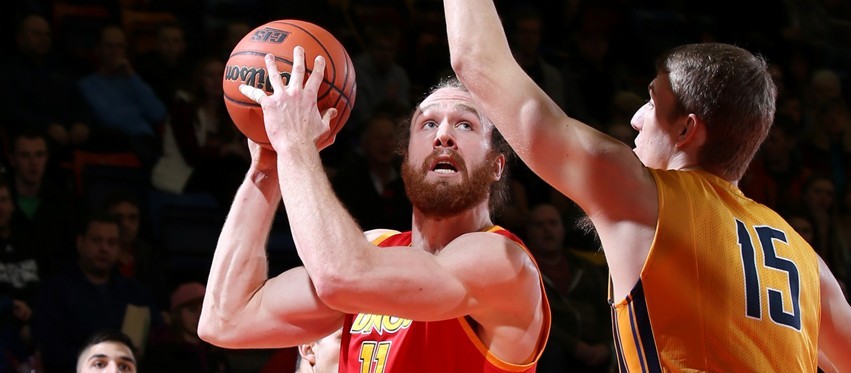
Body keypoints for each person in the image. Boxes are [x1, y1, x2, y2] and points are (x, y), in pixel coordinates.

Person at [443, 0, 851, 370]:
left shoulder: (645, 195)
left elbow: (477, 62)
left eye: (653, 102)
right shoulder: (806, 261)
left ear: (687, 130)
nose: (637, 118)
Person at [198, 51, 550, 372]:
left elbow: (341, 275)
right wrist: (265, 171)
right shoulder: (374, 248)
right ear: (406, 157)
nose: (443, 135)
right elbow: (225, 319)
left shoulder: (503, 261)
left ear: (496, 165)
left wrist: (294, 144)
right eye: (427, 124)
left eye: (465, 124)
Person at [32, 212, 160, 372]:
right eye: (96, 240)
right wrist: (98, 362)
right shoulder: (55, 290)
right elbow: (49, 347)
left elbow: (157, 336)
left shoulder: (135, 291)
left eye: (111, 242)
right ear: (80, 243)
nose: (104, 248)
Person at [524, 203, 611, 373]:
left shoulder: (585, 267)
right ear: (528, 231)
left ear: (563, 229)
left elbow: (607, 309)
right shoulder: (525, 271)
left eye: (553, 223)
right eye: (539, 225)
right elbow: (533, 320)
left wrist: (606, 346)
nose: (547, 229)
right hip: (555, 352)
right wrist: (575, 346)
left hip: (597, 348)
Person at [142, 282, 230, 373]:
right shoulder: (161, 354)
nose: (199, 316)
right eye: (192, 309)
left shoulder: (215, 353)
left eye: (204, 310)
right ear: (178, 314)